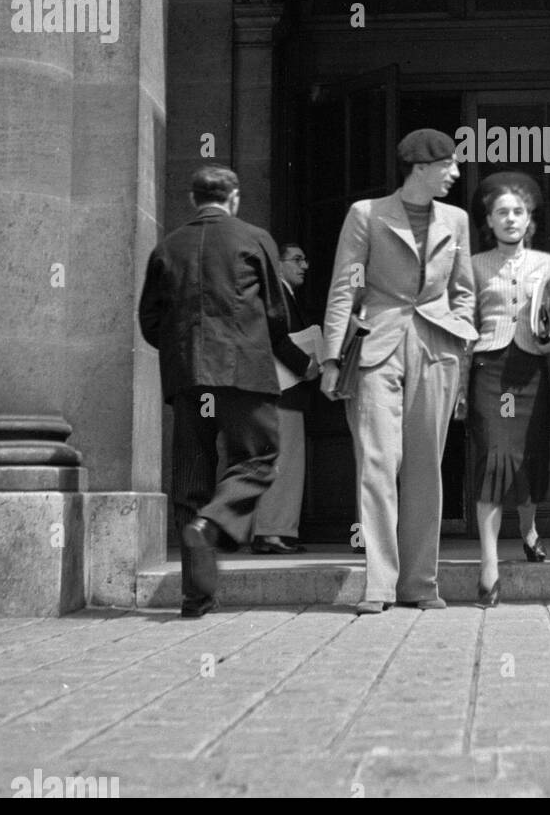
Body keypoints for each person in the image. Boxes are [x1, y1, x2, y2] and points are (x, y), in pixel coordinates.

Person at [320, 129, 477, 615]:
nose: (455, 173)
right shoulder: (366, 214)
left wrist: (463, 344)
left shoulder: (457, 219)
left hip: (437, 349)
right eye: (448, 165)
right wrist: (330, 358)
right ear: (421, 168)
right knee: (377, 464)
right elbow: (344, 288)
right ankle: (379, 585)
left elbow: (465, 290)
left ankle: (419, 585)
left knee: (426, 468)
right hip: (376, 347)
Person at [137, 165, 291, 617]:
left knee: (190, 480)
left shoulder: (167, 246)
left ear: (191, 199)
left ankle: (195, 596)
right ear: (235, 197)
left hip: (189, 379)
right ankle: (213, 522)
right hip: (243, 371)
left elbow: (150, 321)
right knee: (259, 457)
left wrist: (183, 350)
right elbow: (277, 312)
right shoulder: (255, 238)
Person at [457, 173, 550, 607]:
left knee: (526, 455)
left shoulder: (547, 264)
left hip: (530, 371)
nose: (509, 218)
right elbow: (463, 321)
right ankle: (489, 564)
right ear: (489, 219)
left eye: (517, 212)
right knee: (494, 456)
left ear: (529, 220)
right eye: (501, 212)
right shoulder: (474, 264)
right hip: (489, 369)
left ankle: (528, 529)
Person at [251, 243, 316, 555]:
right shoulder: (274, 293)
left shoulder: (284, 294)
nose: (305, 265)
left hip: (287, 394)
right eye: (297, 259)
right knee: (282, 463)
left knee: (286, 463)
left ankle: (277, 531)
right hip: (281, 392)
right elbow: (276, 338)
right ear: (277, 265)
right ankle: (270, 533)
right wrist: (307, 365)